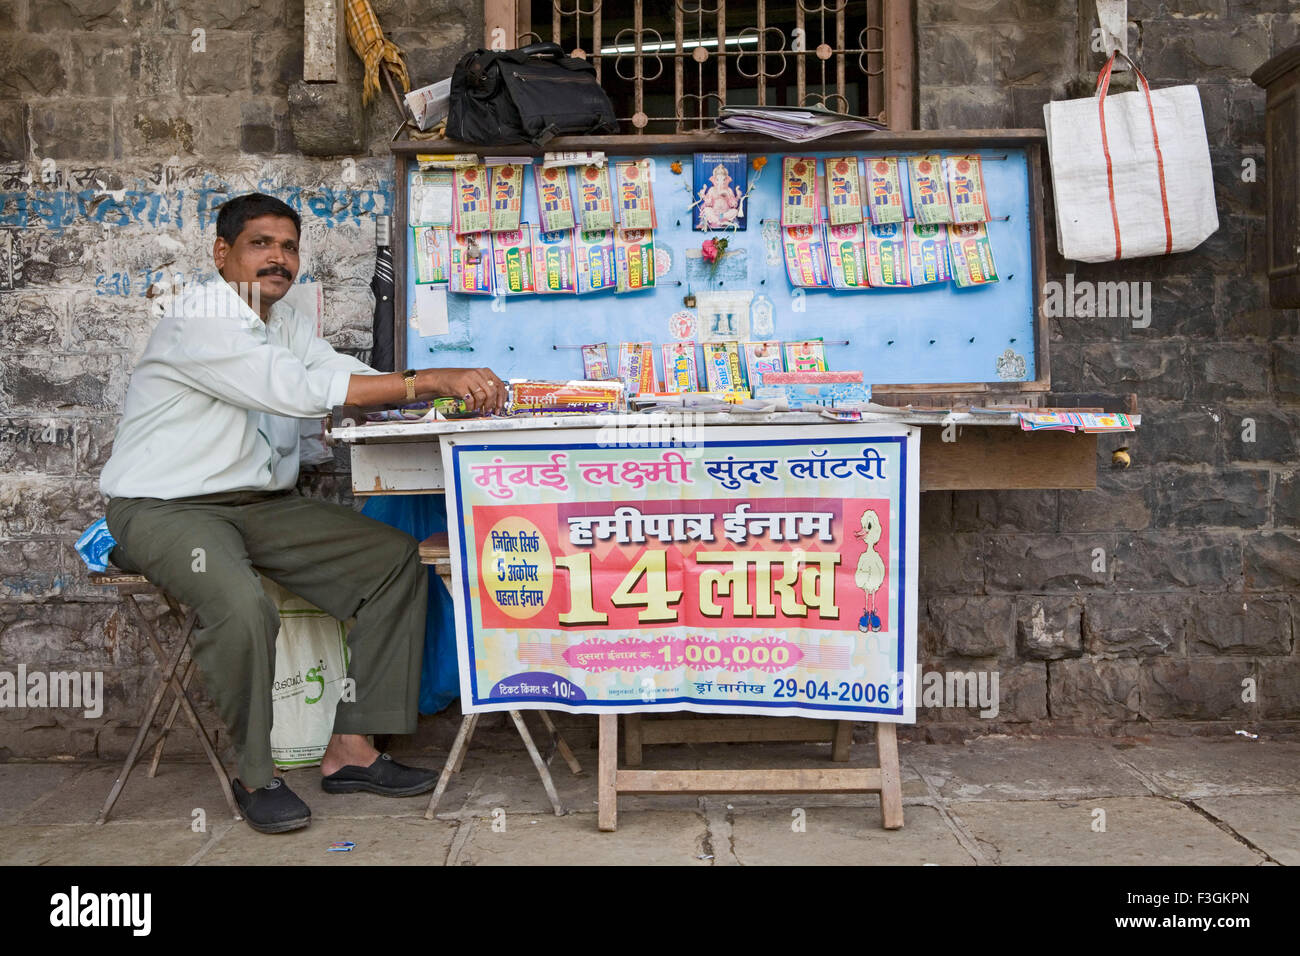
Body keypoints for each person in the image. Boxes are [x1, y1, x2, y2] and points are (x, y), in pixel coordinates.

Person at [100, 193, 507, 833]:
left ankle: (351, 750)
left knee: (392, 563)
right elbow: (297, 391)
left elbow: (334, 372)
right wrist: (430, 380)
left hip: (259, 505)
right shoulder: (202, 318)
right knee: (240, 603)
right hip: (165, 507)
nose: (279, 258)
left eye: (288, 247)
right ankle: (255, 774)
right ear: (222, 254)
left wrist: (429, 396)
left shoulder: (284, 324)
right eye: (261, 243)